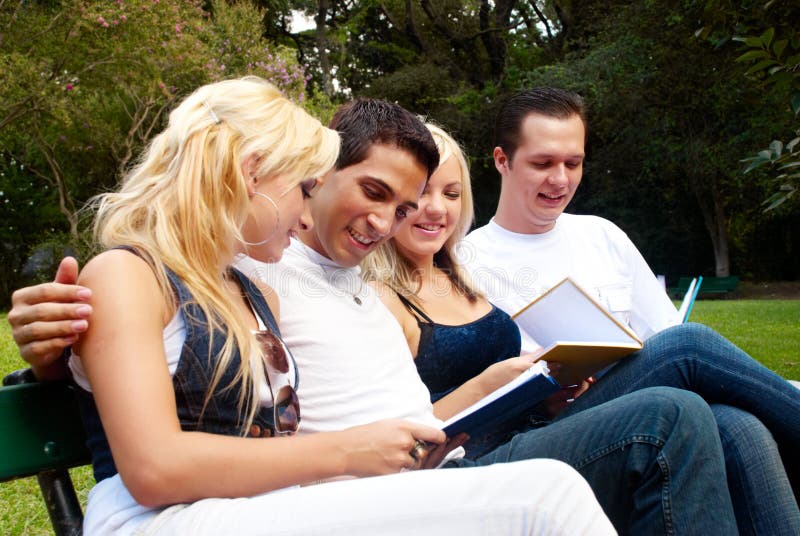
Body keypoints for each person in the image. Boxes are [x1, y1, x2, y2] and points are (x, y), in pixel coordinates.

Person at [8, 97, 742, 534]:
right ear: (247, 174)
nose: (305, 209)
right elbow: (154, 463)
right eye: (303, 187)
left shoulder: (240, 288)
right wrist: (348, 454)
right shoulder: (137, 272)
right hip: (181, 518)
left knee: (671, 435)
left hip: (258, 504)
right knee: (557, 488)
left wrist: (484, 391)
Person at [457, 89, 800, 532]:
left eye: (573, 163)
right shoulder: (468, 261)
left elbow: (662, 334)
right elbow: (478, 391)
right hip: (553, 426)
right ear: (502, 160)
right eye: (543, 163)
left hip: (643, 394)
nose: (560, 179)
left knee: (738, 425)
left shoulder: (602, 236)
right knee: (688, 346)